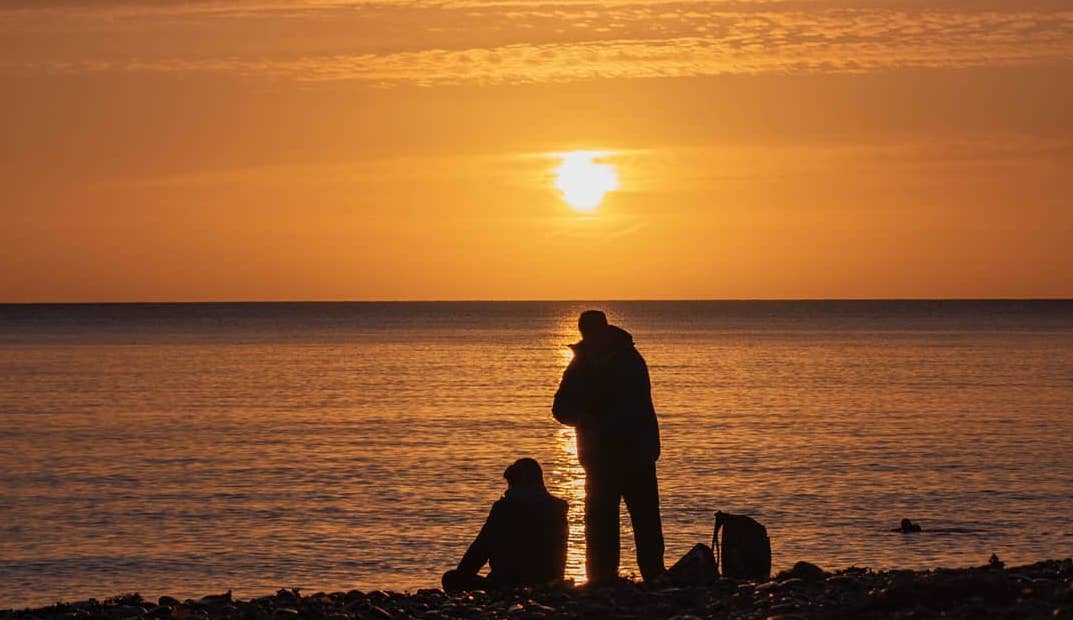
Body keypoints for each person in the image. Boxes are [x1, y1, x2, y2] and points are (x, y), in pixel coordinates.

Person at [552, 310, 665, 585]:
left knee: (645, 521)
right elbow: (560, 408)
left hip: (636, 455)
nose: (591, 339)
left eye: (594, 333)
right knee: (600, 526)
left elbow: (634, 407)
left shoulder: (629, 361)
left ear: (604, 330)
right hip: (598, 459)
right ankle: (601, 580)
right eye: (586, 334)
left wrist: (598, 421)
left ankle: (654, 577)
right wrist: (581, 418)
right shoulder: (579, 364)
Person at [442, 458, 568, 591]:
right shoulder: (557, 507)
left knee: (450, 578)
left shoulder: (505, 508)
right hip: (548, 583)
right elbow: (559, 555)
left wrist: (462, 575)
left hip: (506, 584)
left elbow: (480, 549)